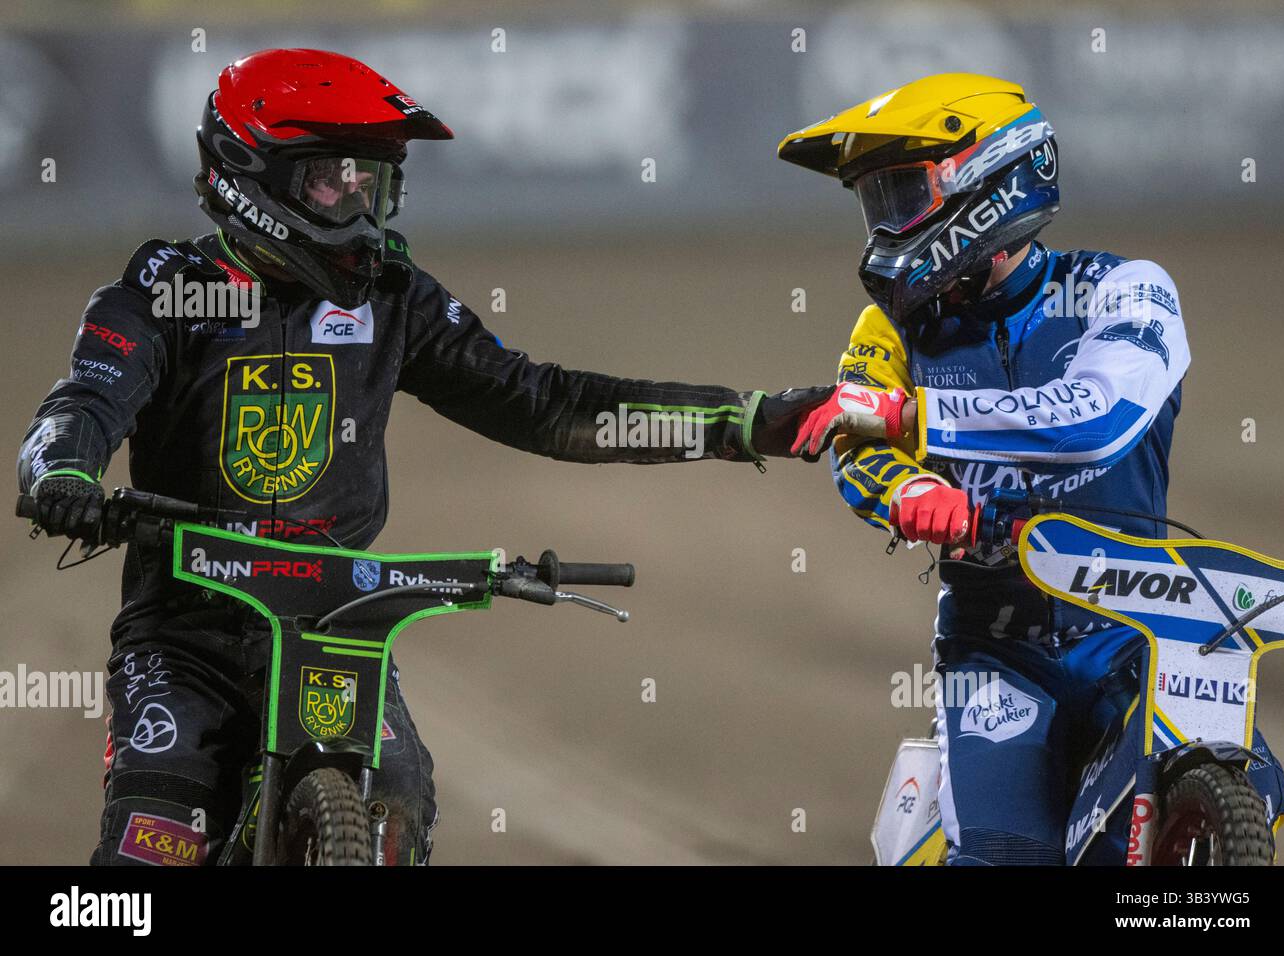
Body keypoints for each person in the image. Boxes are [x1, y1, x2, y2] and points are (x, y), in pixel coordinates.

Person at [17, 48, 840, 866]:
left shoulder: (394, 297)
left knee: (398, 798)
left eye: (371, 182)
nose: (358, 207)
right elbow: (84, 404)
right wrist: (62, 474)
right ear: (249, 174)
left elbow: (543, 403)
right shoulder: (162, 291)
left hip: (332, 625)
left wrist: (742, 423)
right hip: (185, 634)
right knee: (149, 842)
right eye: (331, 180)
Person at [781, 73, 1284, 864]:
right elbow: (855, 440)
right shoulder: (888, 328)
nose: (888, 223)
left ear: (989, 179)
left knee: (1256, 784)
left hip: (1137, 629)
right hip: (996, 641)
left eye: (903, 194)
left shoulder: (1126, 291)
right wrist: (907, 486)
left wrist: (919, 418)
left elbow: (1097, 416)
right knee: (1001, 855)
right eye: (878, 202)